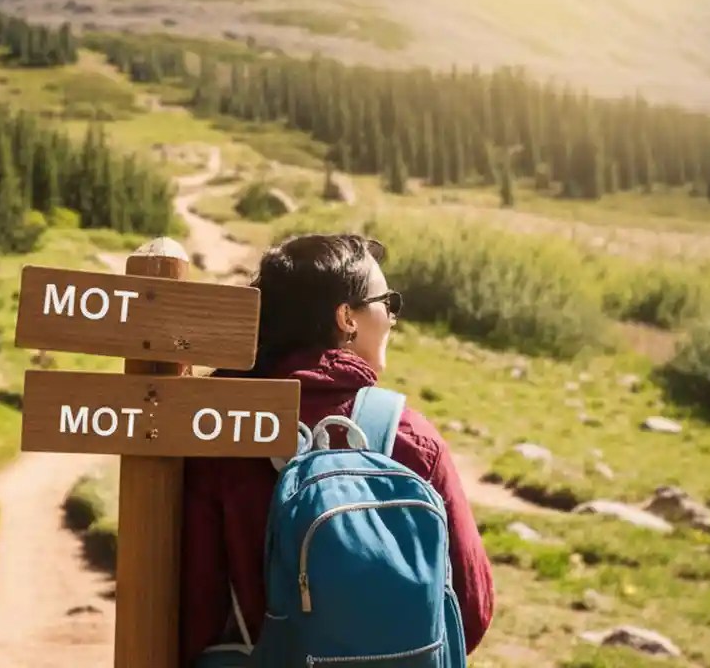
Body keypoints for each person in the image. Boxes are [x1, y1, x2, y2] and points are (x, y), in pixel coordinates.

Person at [178, 232, 495, 666]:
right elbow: (470, 611)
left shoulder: (216, 429)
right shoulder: (408, 436)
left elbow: (191, 614)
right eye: (388, 302)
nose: (393, 318)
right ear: (347, 316)